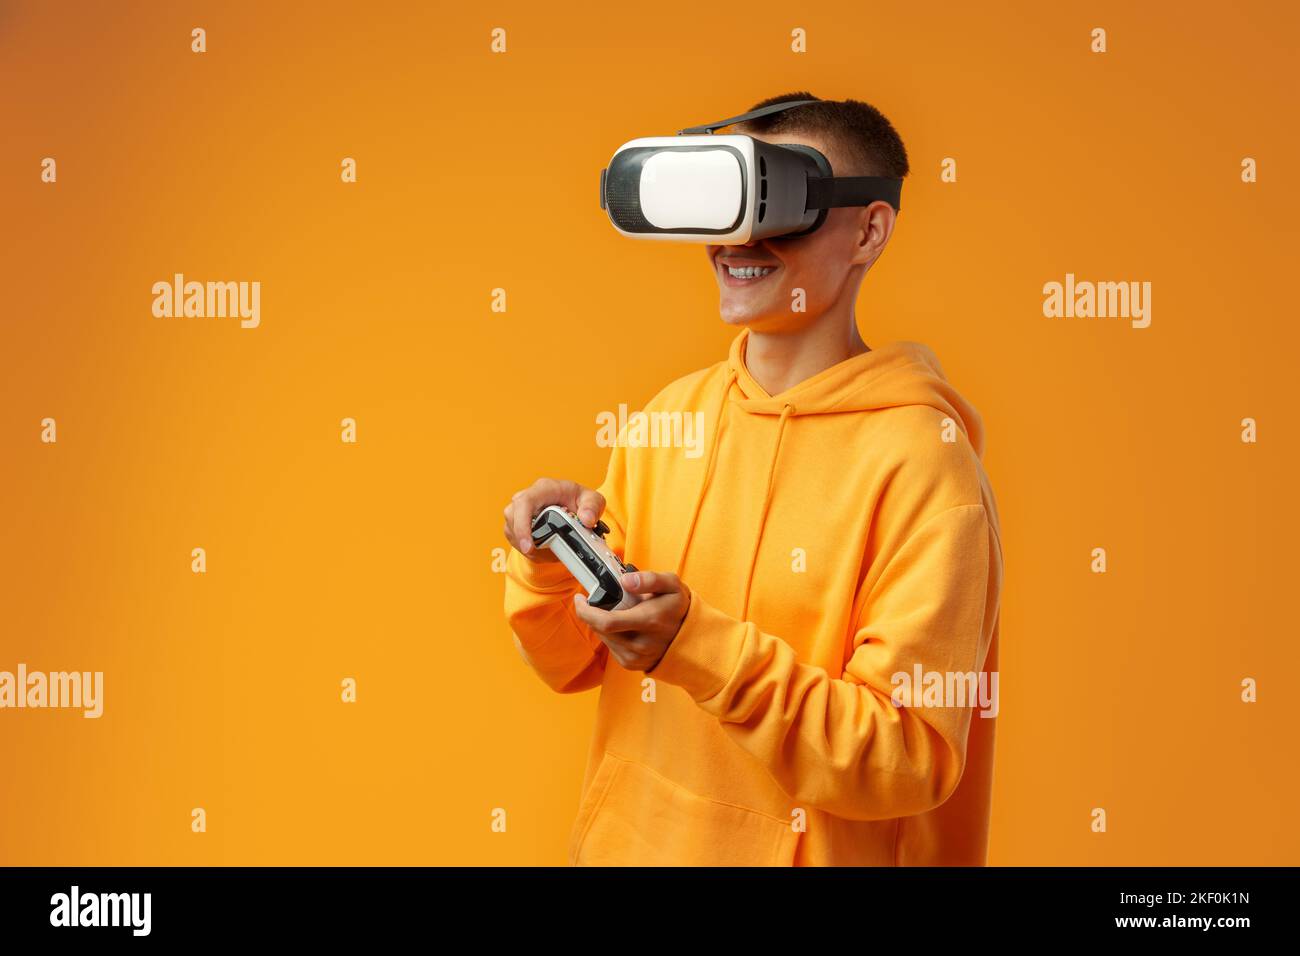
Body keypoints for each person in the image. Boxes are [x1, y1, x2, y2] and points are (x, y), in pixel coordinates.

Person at [501, 92, 1003, 866]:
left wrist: (695, 645)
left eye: (783, 203)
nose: (741, 239)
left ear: (868, 229)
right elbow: (575, 664)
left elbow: (904, 759)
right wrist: (548, 570)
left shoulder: (926, 463)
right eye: (727, 202)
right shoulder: (673, 417)